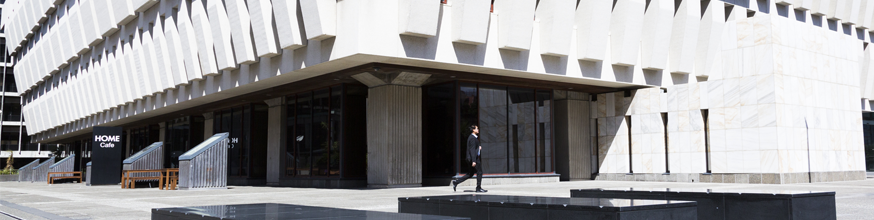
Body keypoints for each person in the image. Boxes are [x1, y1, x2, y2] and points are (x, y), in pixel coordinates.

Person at [452, 125, 487, 193]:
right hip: (473, 158)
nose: (478, 129)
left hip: (471, 158)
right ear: (473, 130)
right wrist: (474, 161)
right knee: (479, 172)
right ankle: (478, 188)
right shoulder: (472, 138)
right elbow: (472, 150)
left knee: (470, 174)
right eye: (477, 128)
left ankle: (456, 182)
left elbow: (474, 149)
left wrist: (478, 149)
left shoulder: (473, 138)